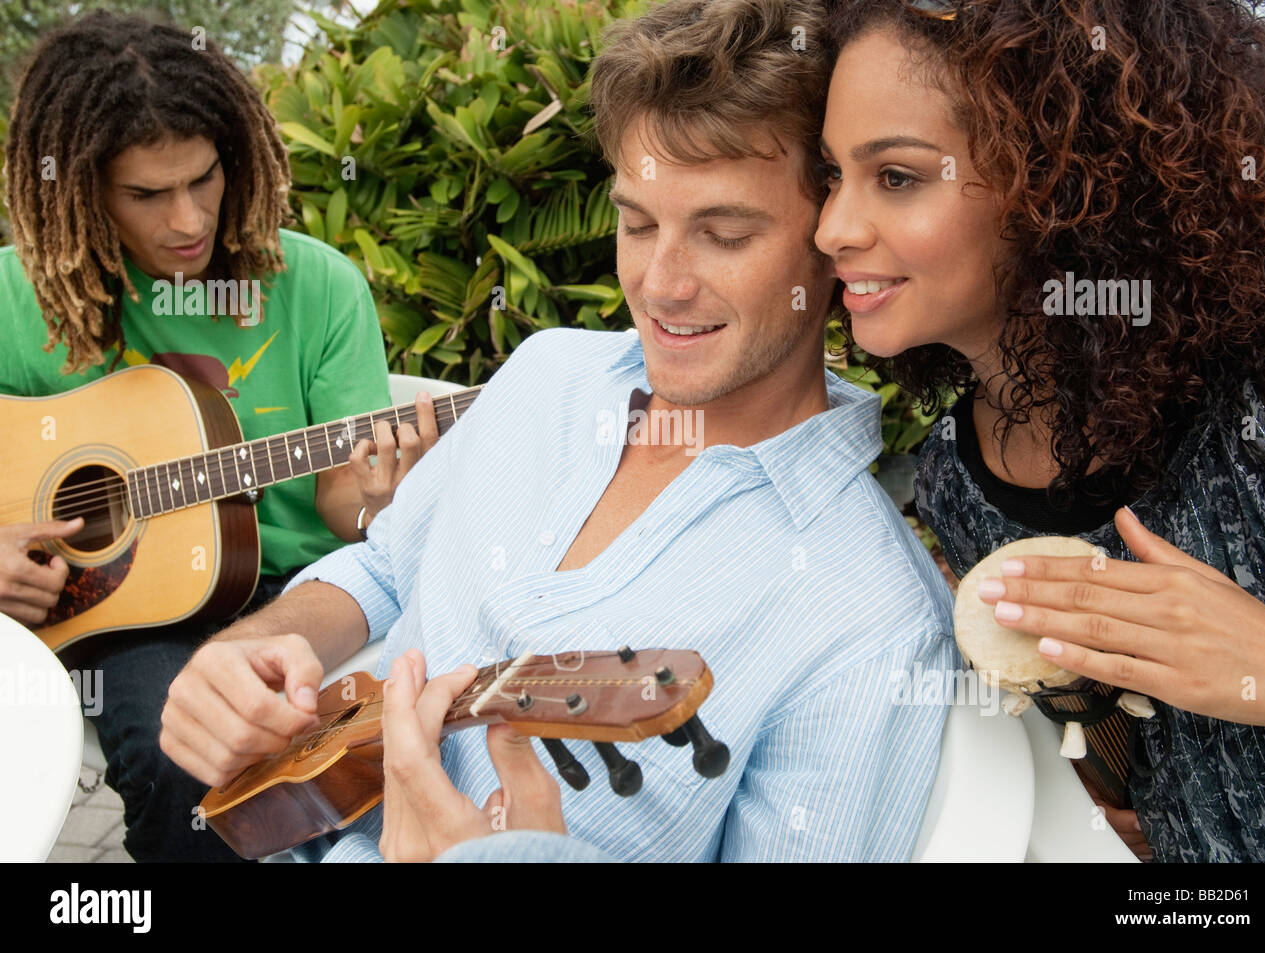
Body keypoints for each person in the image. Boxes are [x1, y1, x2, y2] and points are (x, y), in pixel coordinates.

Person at [161, 0, 959, 863]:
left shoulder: (868, 619)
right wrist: (250, 653)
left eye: (724, 235)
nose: (660, 285)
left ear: (831, 240)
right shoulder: (546, 374)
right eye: (638, 222)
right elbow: (388, 563)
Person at [815, 0, 1265, 862]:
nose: (833, 230)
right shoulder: (956, 483)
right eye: (831, 176)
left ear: (1063, 180)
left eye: (896, 176)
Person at [0, 11, 437, 861]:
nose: (188, 219)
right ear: (78, 190)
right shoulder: (22, 293)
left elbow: (348, 513)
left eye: (204, 179)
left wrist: (380, 500)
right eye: (147, 194)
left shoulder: (318, 287)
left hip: (293, 593)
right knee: (178, 752)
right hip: (124, 612)